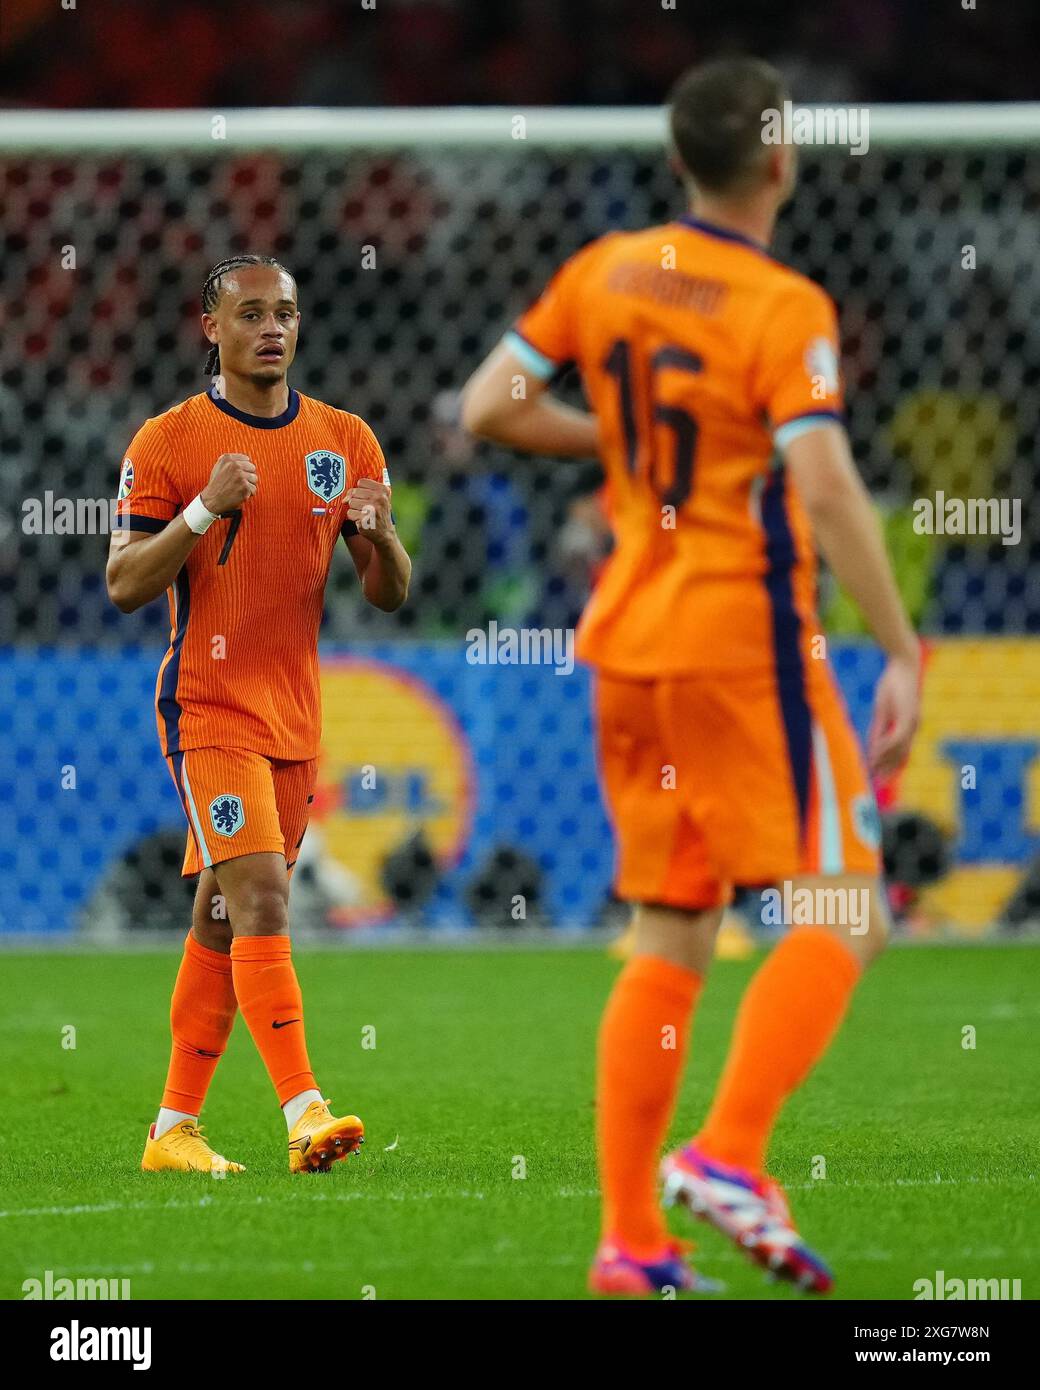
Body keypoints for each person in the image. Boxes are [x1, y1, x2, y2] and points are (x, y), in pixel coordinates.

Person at [461, 58, 921, 1295]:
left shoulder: (604, 269)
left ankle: (630, 1245)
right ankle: (724, 1153)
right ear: (780, 160)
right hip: (743, 639)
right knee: (850, 907)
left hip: (623, 640)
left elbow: (488, 404)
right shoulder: (783, 305)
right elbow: (820, 478)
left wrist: (610, 439)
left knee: (669, 925)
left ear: (677, 162)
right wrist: (902, 646)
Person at [106, 254, 411, 1174]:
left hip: (295, 715)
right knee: (264, 899)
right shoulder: (167, 443)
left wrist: (383, 531)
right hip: (206, 705)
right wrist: (202, 510)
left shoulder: (346, 440)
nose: (271, 328)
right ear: (211, 329)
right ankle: (304, 1111)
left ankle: (173, 1132)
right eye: (250, 314)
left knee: (219, 918)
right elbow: (123, 582)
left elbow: (390, 593)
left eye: (285, 311)